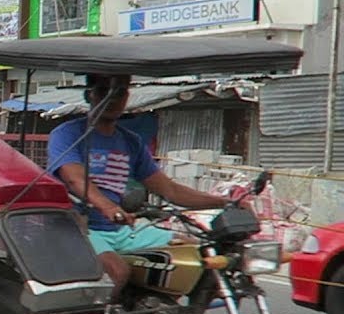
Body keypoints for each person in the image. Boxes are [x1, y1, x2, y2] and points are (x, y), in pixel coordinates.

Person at [48, 74, 235, 295]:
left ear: (127, 97)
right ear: (89, 95)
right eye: (103, 91)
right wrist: (108, 207)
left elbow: (170, 190)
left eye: (119, 92)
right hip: (79, 228)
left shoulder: (131, 141)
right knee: (117, 271)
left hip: (121, 229)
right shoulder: (68, 133)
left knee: (195, 254)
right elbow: (75, 178)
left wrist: (226, 202)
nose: (112, 98)